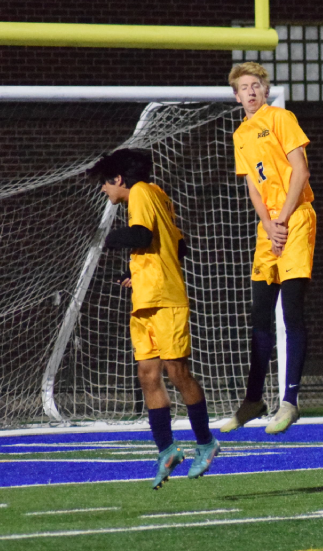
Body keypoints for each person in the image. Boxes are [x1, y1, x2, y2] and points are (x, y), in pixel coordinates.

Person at [89, 148, 218, 490]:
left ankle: (206, 442)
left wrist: (104, 238)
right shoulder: (158, 194)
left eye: (105, 183)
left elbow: (141, 236)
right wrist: (141, 272)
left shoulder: (143, 193)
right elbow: (177, 245)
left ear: (119, 179)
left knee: (177, 372)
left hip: (166, 301)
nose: (104, 190)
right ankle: (167, 451)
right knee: (148, 376)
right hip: (146, 298)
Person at [222, 61, 315, 435]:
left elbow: (301, 171)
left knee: (291, 311)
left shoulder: (281, 118)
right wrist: (267, 224)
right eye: (244, 87)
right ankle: (253, 399)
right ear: (236, 94)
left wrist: (283, 220)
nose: (250, 91)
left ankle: (290, 401)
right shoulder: (241, 133)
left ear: (265, 89)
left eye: (256, 85)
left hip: (296, 218)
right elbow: (253, 188)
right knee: (260, 317)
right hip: (269, 227)